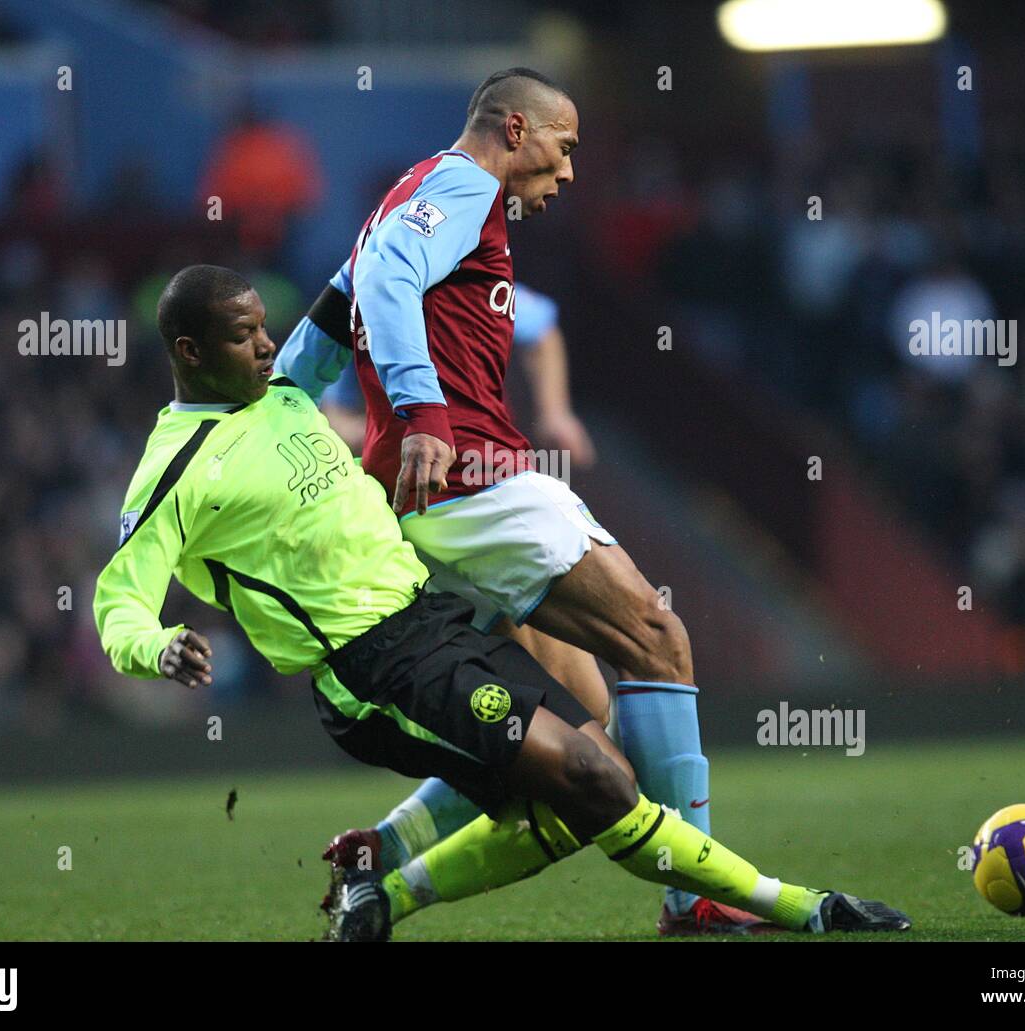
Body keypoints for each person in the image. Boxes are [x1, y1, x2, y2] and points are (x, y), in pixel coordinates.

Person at [93, 264, 912, 941]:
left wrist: (408, 217)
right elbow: (118, 599)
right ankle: (807, 908)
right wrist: (158, 645)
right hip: (371, 670)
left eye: (264, 326)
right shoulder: (177, 467)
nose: (267, 343)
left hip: (434, 619)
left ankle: (381, 880)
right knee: (596, 780)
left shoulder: (282, 391)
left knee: (585, 782)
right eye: (244, 335)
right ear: (190, 351)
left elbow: (339, 304)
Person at [277, 68, 737, 934]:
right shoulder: (458, 184)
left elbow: (324, 327)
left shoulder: (408, 204)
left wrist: (270, 414)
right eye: (565, 150)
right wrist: (423, 413)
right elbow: (378, 292)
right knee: (657, 638)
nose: (568, 175)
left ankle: (377, 859)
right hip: (475, 481)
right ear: (517, 129)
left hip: (430, 498)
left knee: (585, 750)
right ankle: (696, 900)